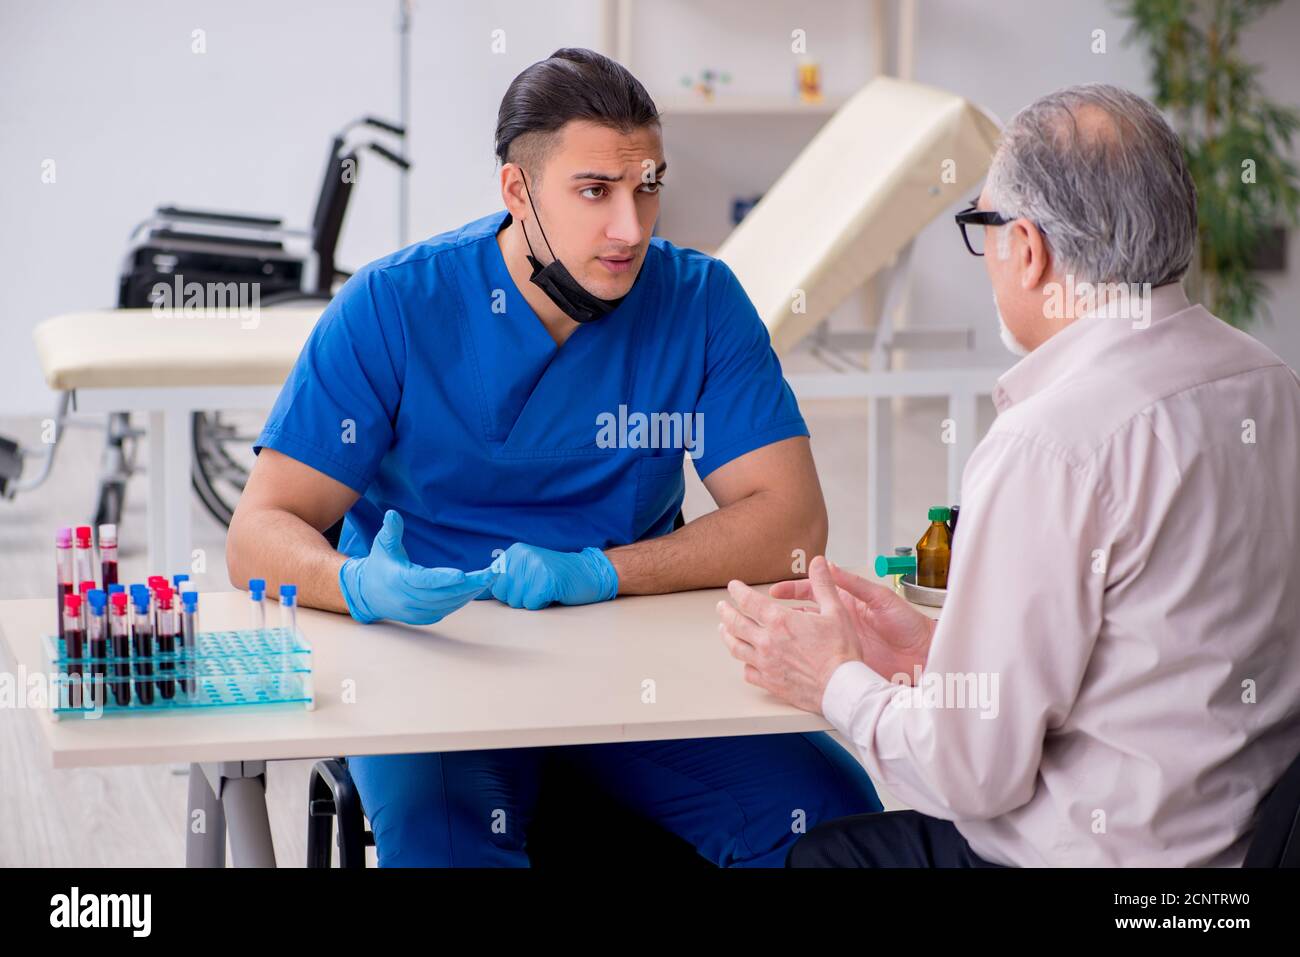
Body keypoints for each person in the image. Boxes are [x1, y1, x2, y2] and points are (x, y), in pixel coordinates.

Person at [226, 48, 881, 866]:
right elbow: (259, 530)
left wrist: (605, 571)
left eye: (648, 186)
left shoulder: (699, 302)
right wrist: (355, 584)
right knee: (446, 847)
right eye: (595, 191)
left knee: (828, 814)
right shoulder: (394, 307)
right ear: (517, 191)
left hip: (630, 659)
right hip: (436, 665)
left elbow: (791, 522)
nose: (631, 227)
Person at [718, 83, 1300, 867]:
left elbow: (971, 775)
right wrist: (934, 652)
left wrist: (831, 678)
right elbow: (1159, 653)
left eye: (981, 227)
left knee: (814, 854)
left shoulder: (1052, 443)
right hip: (1233, 861)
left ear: (1026, 249)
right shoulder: (1272, 385)